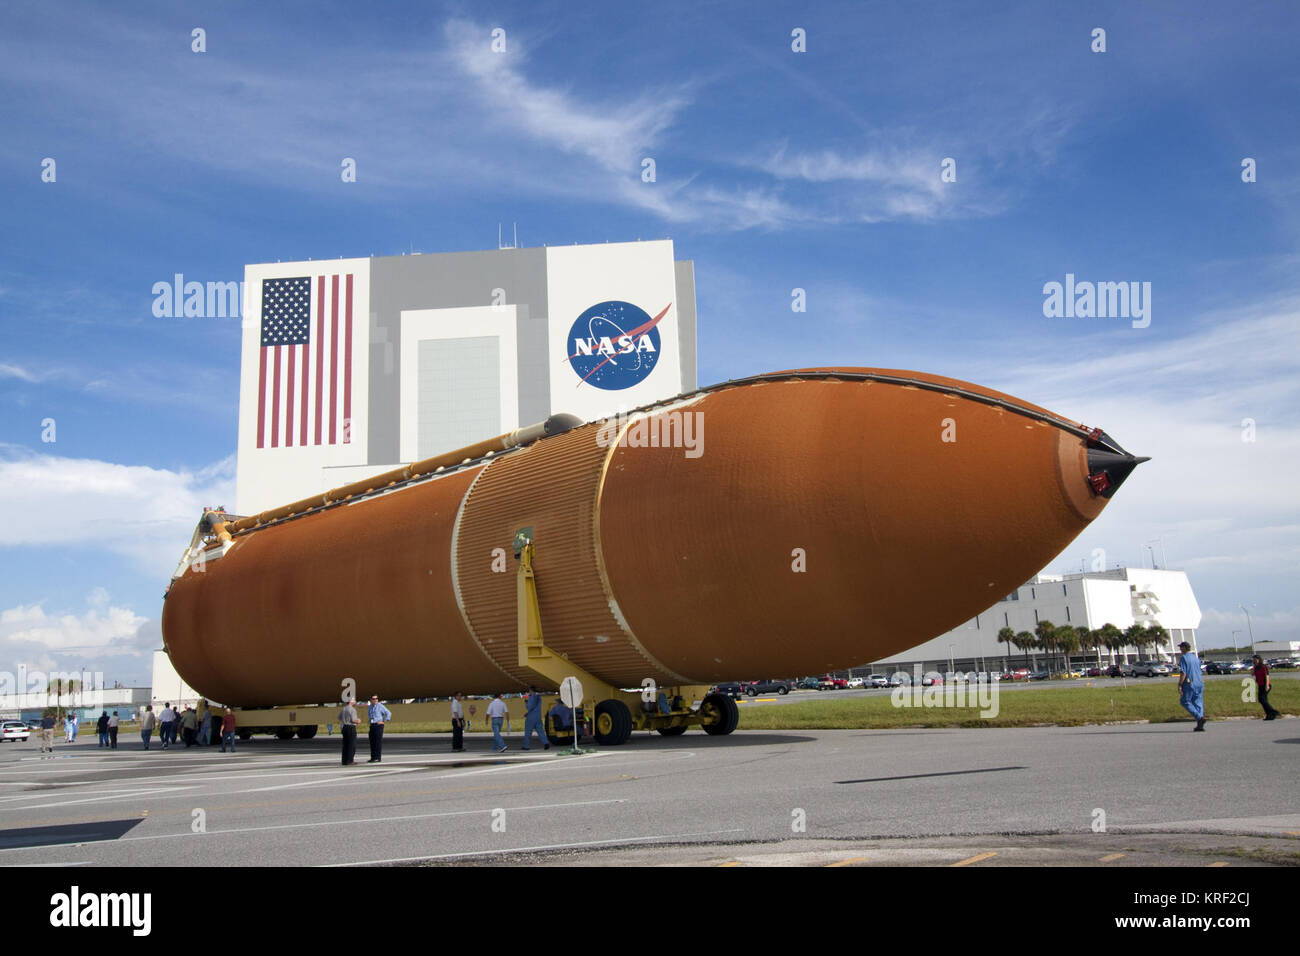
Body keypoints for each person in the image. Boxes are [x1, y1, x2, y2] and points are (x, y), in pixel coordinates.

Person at [1177, 641, 1206, 731]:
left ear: (1185, 648)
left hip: (1190, 683)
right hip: (1199, 682)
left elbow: (1183, 672)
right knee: (1198, 703)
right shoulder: (1196, 658)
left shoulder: (1184, 658)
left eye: (1181, 647)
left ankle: (1199, 718)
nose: (1180, 649)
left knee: (1184, 701)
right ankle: (1200, 724)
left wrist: (1180, 684)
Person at [521, 686, 550, 751]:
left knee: (528, 732)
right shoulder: (538, 697)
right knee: (540, 731)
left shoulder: (531, 697)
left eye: (529, 691)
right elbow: (535, 708)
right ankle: (546, 743)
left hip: (531, 718)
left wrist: (526, 703)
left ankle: (526, 746)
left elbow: (529, 707)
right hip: (538, 716)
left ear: (531, 690)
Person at [1253, 655, 1281, 720]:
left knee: (1262, 699)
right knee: (1263, 700)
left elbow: (1267, 676)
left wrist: (1267, 685)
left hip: (1265, 685)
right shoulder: (1256, 667)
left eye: (1256, 659)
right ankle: (1269, 715)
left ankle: (1273, 712)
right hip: (1260, 685)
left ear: (1259, 660)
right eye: (1254, 660)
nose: (1255, 661)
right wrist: (1254, 667)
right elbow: (1252, 674)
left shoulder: (1263, 667)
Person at [367, 695, 391, 762]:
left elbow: (388, 713)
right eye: (373, 699)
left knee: (378, 742)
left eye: (376, 699)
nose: (375, 700)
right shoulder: (370, 707)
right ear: (371, 700)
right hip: (372, 725)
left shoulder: (380, 706)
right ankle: (373, 757)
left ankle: (378, 757)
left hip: (378, 725)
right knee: (372, 742)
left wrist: (384, 720)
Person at [338, 697, 359, 765]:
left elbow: (339, 717)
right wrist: (358, 721)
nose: (354, 701)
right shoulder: (352, 709)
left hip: (345, 727)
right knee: (351, 745)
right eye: (353, 700)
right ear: (351, 701)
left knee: (345, 745)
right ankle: (350, 760)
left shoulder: (344, 709)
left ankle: (344, 760)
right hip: (351, 727)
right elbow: (353, 720)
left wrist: (345, 720)